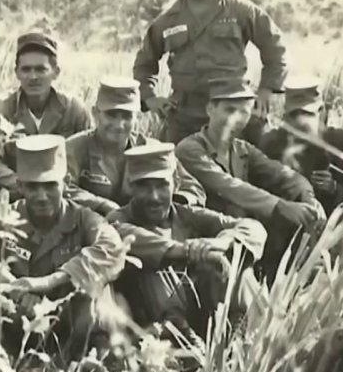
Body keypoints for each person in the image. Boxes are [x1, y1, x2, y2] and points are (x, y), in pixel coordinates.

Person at [0, 134, 127, 372]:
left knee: (95, 290)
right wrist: (14, 288)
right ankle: (7, 361)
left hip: (72, 324)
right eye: (33, 186)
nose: (42, 196)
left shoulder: (85, 219)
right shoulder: (4, 217)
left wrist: (47, 283)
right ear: (20, 186)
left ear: (65, 183)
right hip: (19, 320)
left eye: (50, 185)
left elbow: (112, 248)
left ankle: (87, 364)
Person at [132, 0, 288, 145]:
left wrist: (267, 90)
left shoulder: (241, 11)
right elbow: (144, 64)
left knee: (257, 169)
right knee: (173, 170)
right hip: (186, 117)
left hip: (235, 113)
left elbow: (276, 48)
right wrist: (150, 97)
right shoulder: (167, 22)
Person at [106, 143, 267, 341]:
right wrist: (190, 250)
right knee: (154, 270)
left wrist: (223, 243)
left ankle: (241, 337)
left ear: (175, 182)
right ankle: (185, 343)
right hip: (152, 323)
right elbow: (124, 235)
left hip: (202, 313)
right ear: (130, 185)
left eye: (162, 185)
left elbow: (252, 227)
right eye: (144, 187)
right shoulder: (118, 219)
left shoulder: (187, 215)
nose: (154, 197)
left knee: (239, 266)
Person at [174, 77, 325, 284]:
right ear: (210, 109)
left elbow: (285, 175)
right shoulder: (190, 149)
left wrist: (308, 199)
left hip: (244, 236)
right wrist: (281, 206)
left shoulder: (243, 150)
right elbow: (227, 186)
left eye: (243, 111)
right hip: (205, 239)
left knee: (295, 220)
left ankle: (294, 282)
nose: (236, 118)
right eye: (229, 110)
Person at [64, 76, 205, 217]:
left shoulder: (151, 149)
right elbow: (61, 189)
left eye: (127, 116)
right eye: (111, 115)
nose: (119, 125)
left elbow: (193, 188)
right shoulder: (74, 148)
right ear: (96, 113)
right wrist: (102, 205)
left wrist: (166, 201)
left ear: (136, 118)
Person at [0, 31, 92, 201]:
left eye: (41, 69)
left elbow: (90, 155)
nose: (33, 77)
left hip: (64, 195)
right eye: (26, 69)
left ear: (55, 72)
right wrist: (26, 186)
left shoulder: (73, 109)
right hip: (16, 194)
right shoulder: (2, 108)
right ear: (17, 73)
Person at [258, 77, 343, 214]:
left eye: (306, 114)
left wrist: (334, 188)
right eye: (294, 115)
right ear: (285, 117)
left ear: (321, 114)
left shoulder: (338, 142)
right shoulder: (271, 144)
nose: (300, 122)